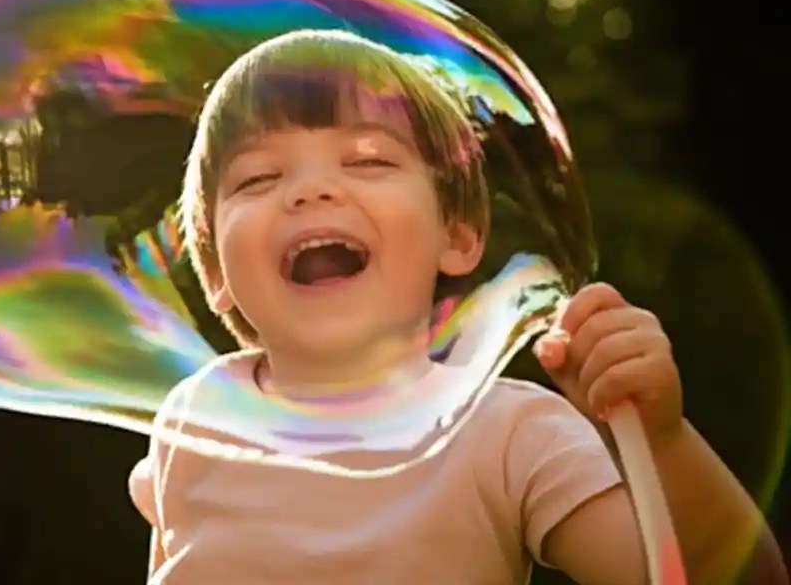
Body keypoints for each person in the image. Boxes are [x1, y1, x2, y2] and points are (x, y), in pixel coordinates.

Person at [126, 29, 787, 583]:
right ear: (215, 273)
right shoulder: (194, 418)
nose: (311, 191)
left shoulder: (507, 431)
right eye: (259, 178)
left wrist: (663, 440)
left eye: (367, 161)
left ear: (458, 233)